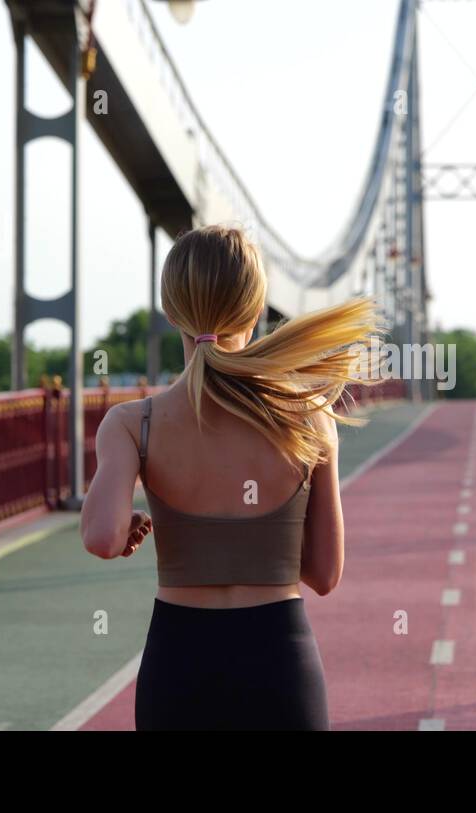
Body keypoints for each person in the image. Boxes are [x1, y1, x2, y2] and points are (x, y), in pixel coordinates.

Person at [81, 225, 382, 730]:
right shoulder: (309, 417)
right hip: (279, 662)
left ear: (171, 311)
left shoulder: (134, 424)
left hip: (179, 666)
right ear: (255, 309)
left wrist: (130, 519)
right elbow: (325, 574)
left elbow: (102, 538)